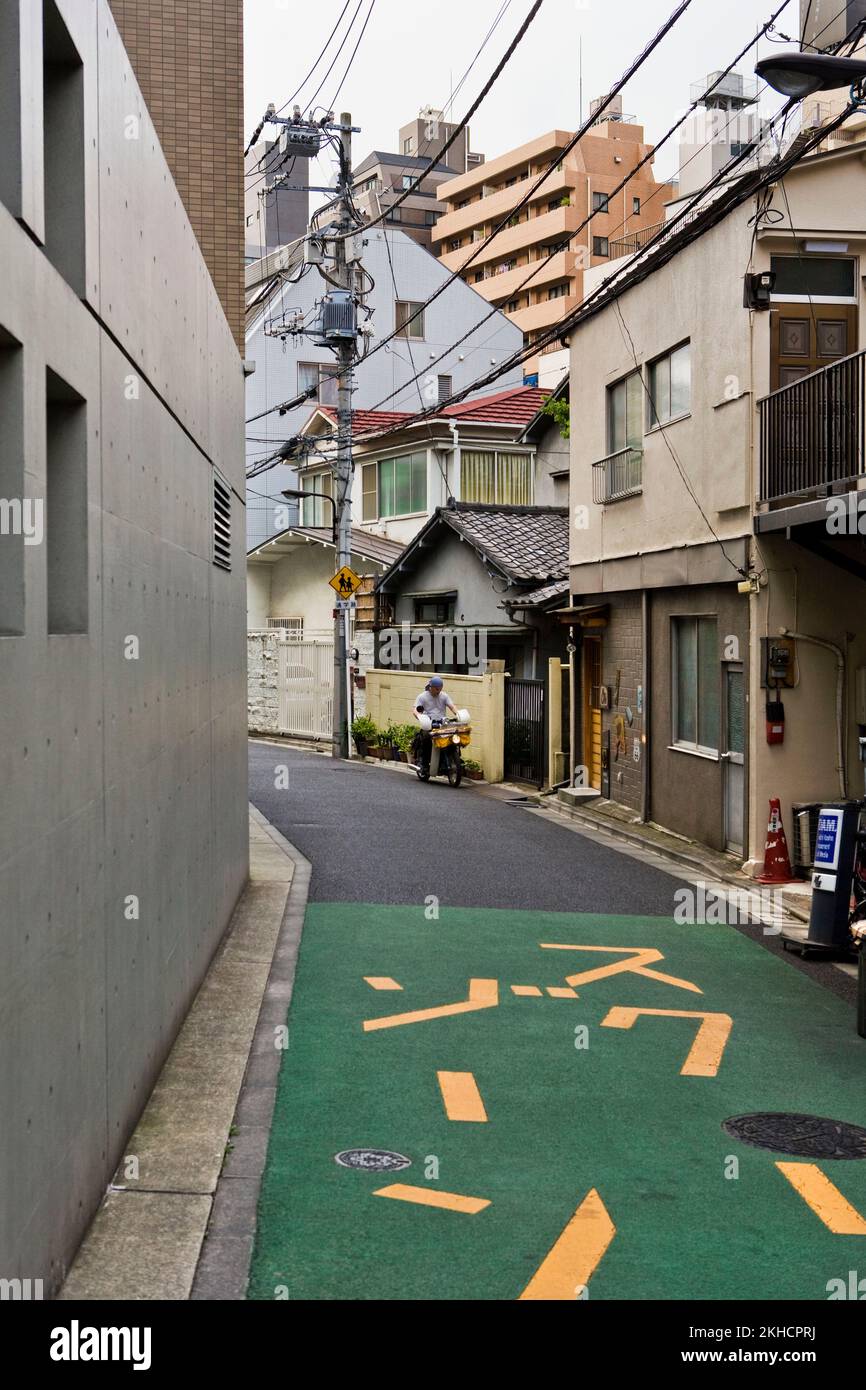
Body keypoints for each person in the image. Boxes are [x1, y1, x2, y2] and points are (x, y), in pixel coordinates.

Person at [411, 675, 459, 774]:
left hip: (442, 724)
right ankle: (424, 764)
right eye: (436, 689)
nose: (438, 691)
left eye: (440, 689)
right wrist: (420, 717)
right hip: (429, 724)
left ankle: (453, 758)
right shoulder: (422, 696)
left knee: (452, 738)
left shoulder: (444, 696)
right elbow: (415, 709)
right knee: (427, 738)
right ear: (430, 687)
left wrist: (458, 714)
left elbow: (452, 706)